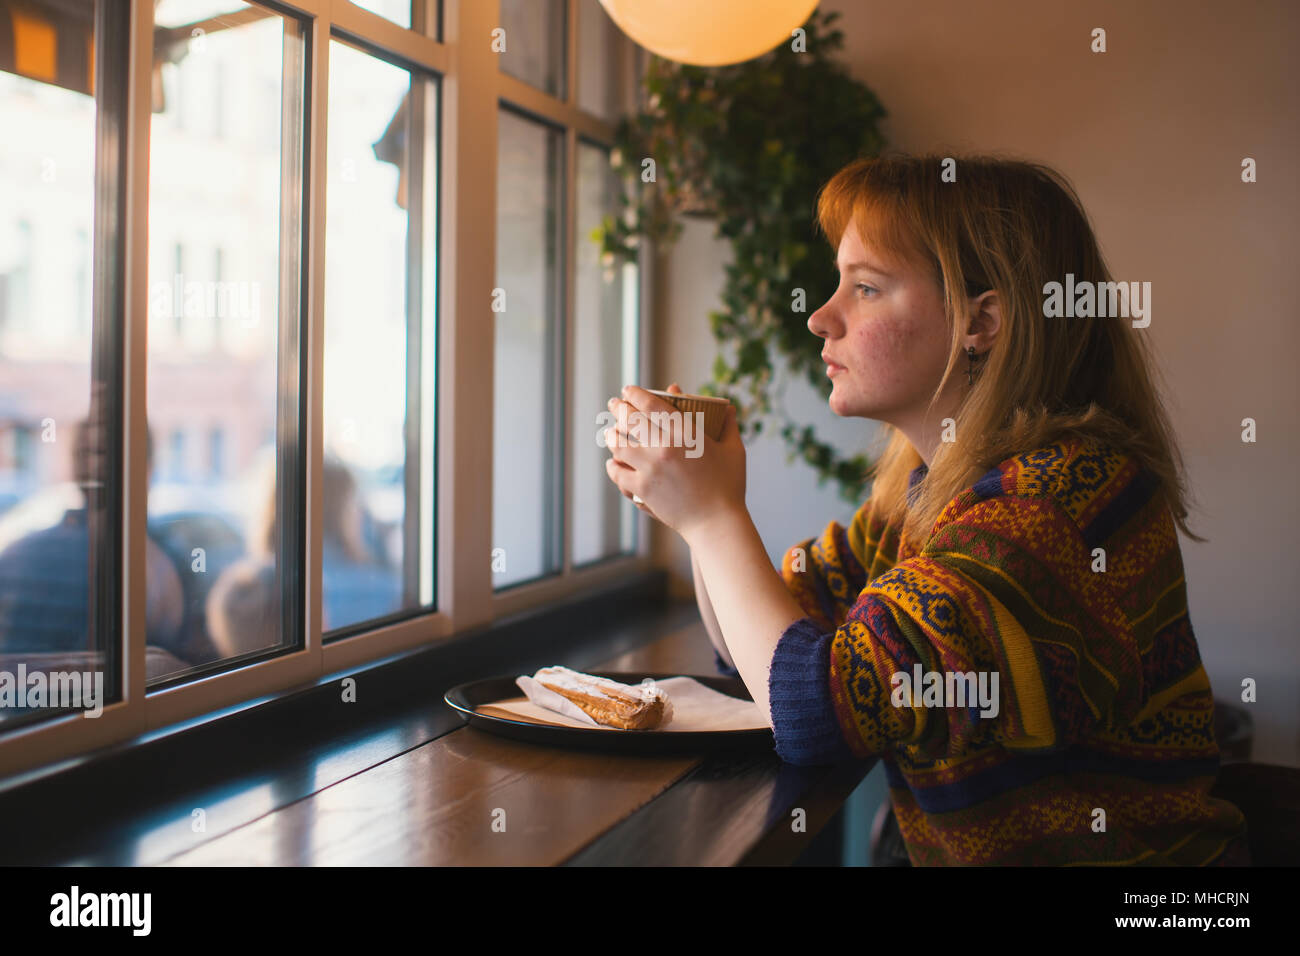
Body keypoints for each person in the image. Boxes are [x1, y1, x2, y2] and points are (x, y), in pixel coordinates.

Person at [602, 153, 1250, 866]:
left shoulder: (1057, 504)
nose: (821, 318)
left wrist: (711, 515)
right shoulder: (929, 490)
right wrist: (695, 506)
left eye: (866, 288)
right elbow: (765, 644)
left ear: (983, 321)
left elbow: (814, 712)